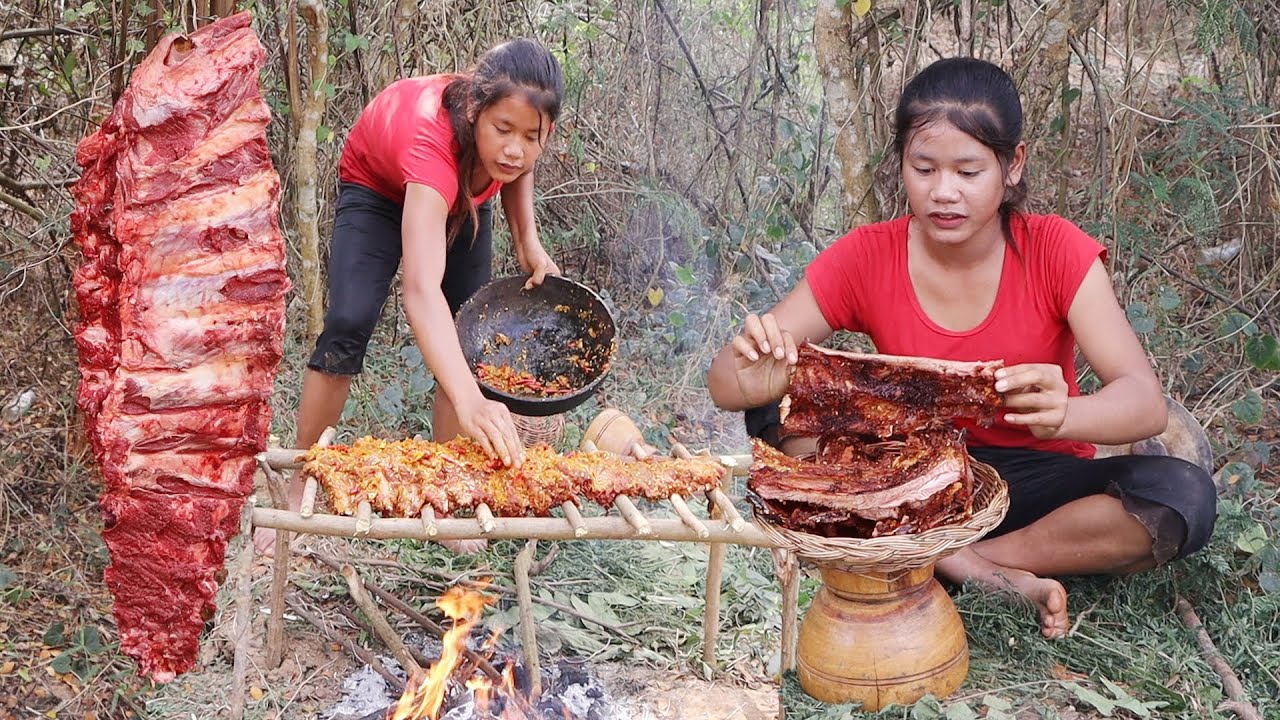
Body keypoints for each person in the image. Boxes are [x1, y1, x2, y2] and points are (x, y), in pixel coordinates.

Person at [706, 57, 1217, 639]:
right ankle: (974, 569)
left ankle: (963, 559)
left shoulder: (1055, 252)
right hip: (898, 470)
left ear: (1012, 165)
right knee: (775, 412)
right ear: (901, 164)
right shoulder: (865, 257)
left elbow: (1144, 402)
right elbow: (728, 386)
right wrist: (756, 370)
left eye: (968, 172)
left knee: (1181, 496)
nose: (943, 193)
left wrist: (1066, 414)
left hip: (1030, 479)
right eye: (924, 168)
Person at [255, 38, 565, 551]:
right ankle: (301, 482)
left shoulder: (515, 141)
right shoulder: (434, 142)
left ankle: (441, 492)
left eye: (532, 136)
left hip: (461, 190)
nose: (516, 148)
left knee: (466, 334)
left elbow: (518, 165)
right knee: (348, 324)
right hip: (378, 185)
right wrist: (471, 400)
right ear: (474, 113)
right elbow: (420, 291)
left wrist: (527, 241)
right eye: (502, 130)